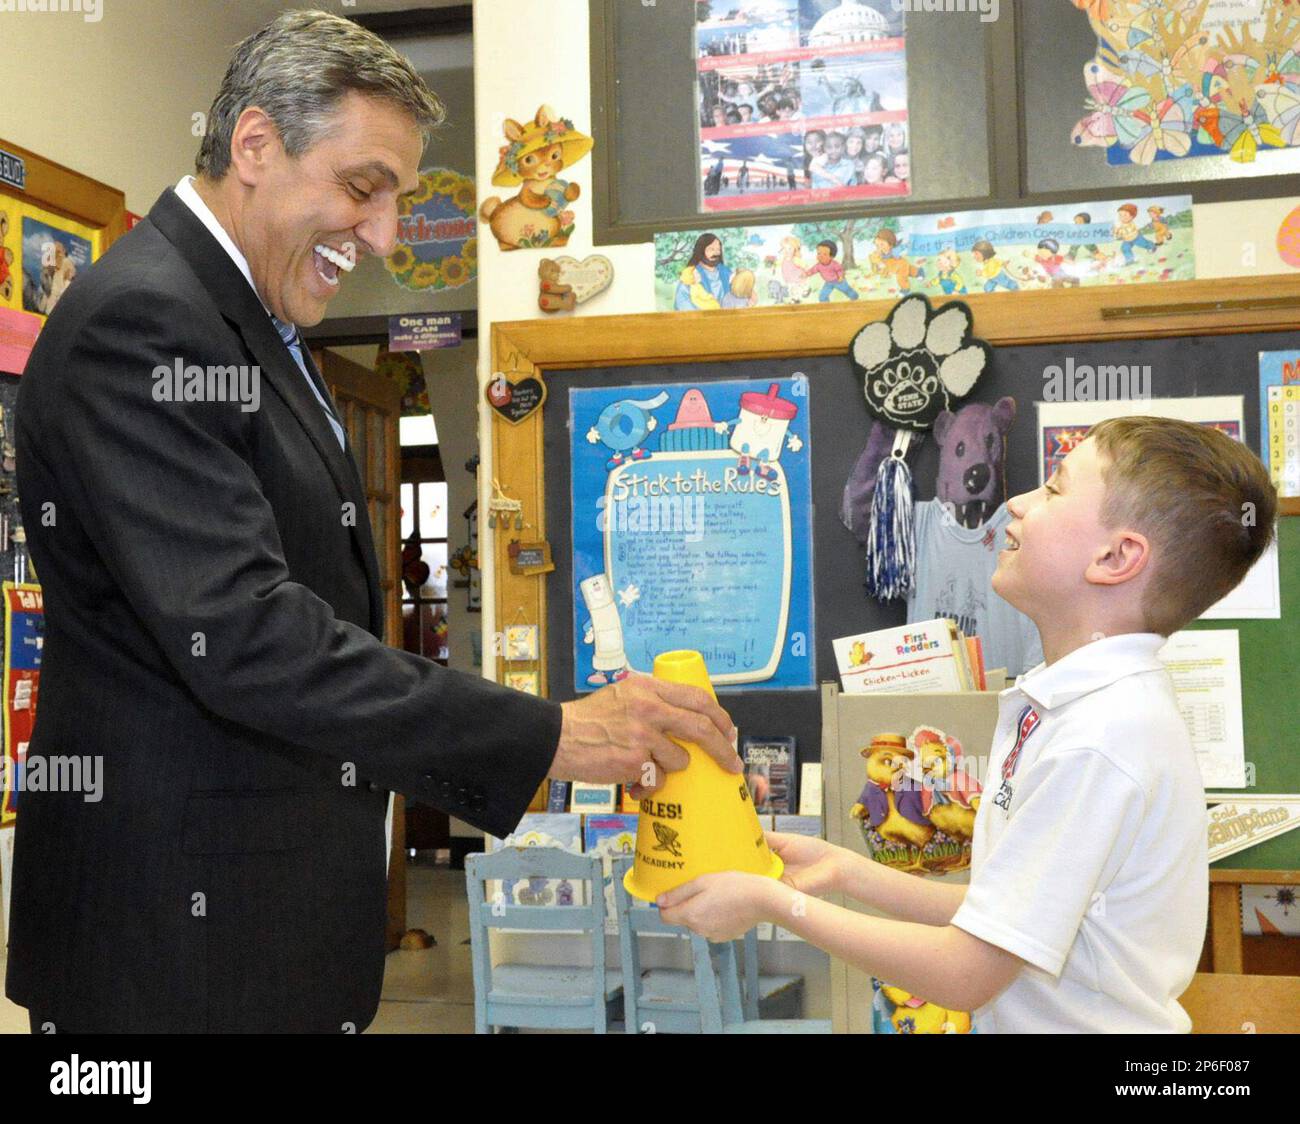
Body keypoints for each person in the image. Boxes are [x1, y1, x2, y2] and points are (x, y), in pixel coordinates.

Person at [8, 9, 742, 1035]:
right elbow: (249, 634)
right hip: (172, 952)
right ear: (255, 144)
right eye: (363, 188)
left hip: (253, 934)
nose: (386, 235)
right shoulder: (148, 319)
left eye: (396, 198)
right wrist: (551, 733)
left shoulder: (250, 319)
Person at [660, 417, 1276, 1033]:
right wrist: (845, 871)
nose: (1015, 502)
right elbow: (1001, 918)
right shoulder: (1077, 709)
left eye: (1055, 489)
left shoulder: (1102, 738)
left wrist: (774, 903)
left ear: (1116, 557)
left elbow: (968, 970)